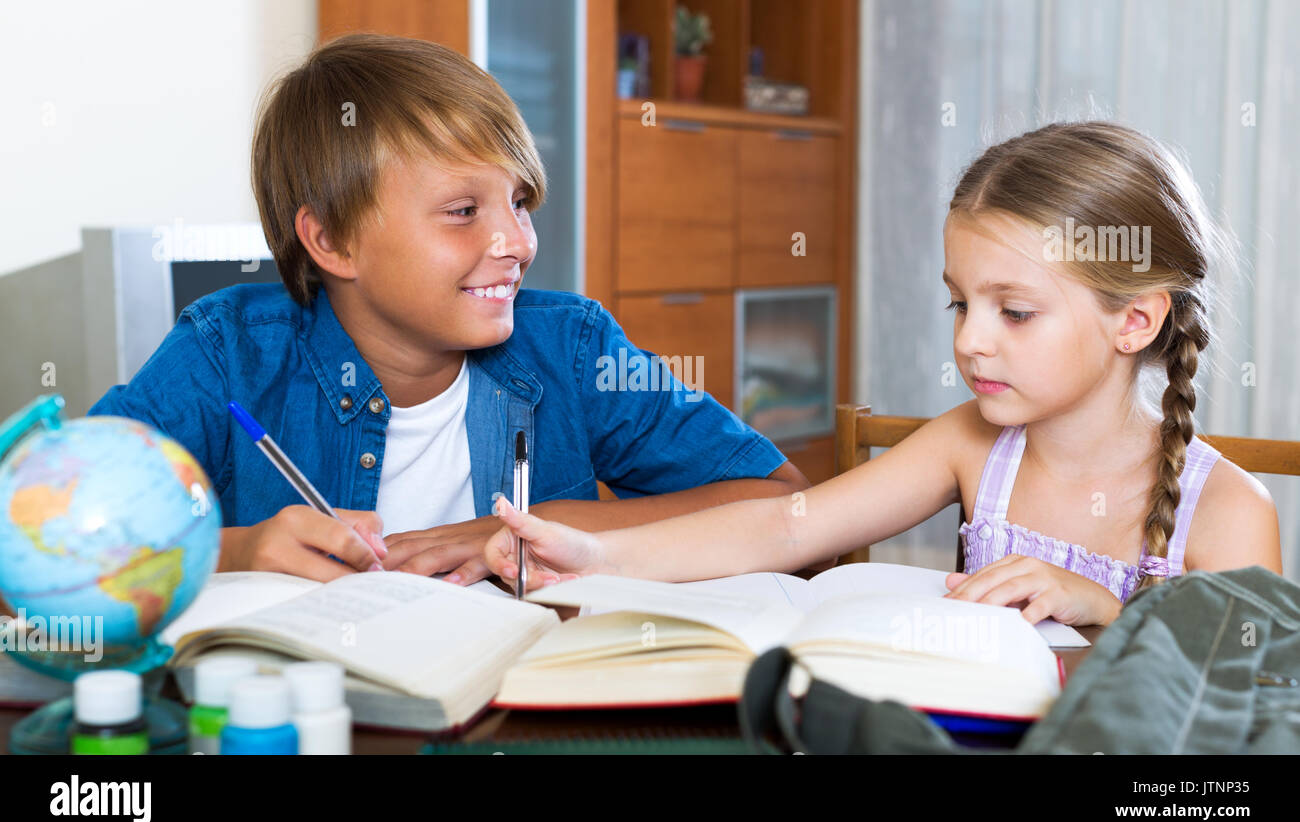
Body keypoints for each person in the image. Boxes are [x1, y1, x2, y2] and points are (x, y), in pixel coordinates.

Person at [483, 122, 1283, 626]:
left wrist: (1105, 610)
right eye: (959, 305)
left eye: (1014, 311)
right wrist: (601, 557)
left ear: (1135, 320)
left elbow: (1247, 699)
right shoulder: (970, 442)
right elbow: (790, 524)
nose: (971, 342)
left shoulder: (1229, 510)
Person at [88, 34, 807, 584]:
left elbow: (785, 502)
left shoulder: (572, 348)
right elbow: (34, 541)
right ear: (332, 240)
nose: (516, 243)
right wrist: (234, 551)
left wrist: (541, 527)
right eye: (464, 210)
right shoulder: (228, 354)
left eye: (518, 201)